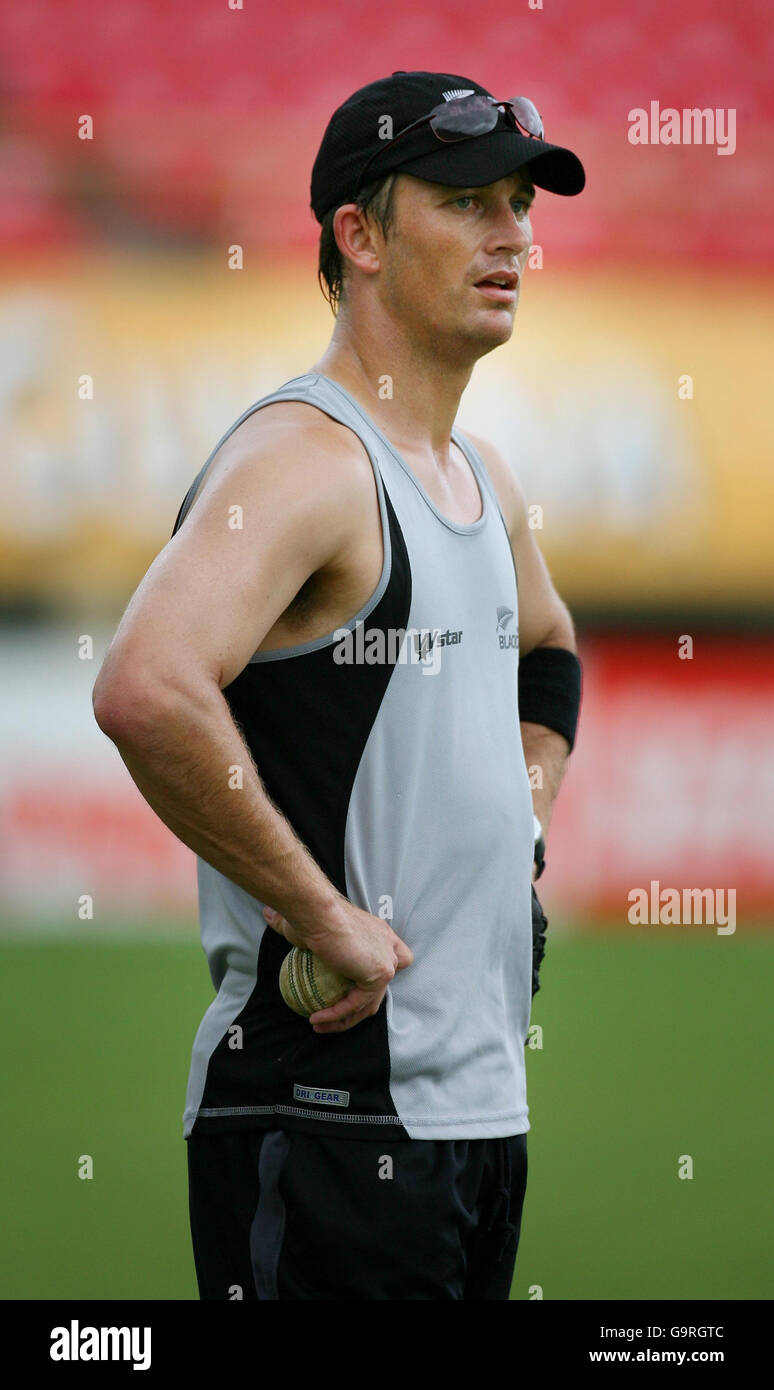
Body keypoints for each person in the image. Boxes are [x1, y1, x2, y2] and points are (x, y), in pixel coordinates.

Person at [92, 70, 584, 1301]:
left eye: (520, 203)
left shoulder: (483, 474)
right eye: (469, 201)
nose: (513, 235)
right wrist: (324, 917)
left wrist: (520, 816)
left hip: (475, 1120)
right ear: (358, 236)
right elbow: (147, 688)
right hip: (322, 1123)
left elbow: (552, 650)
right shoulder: (306, 461)